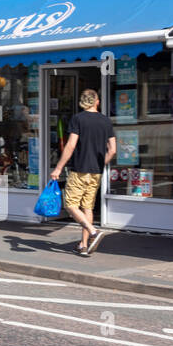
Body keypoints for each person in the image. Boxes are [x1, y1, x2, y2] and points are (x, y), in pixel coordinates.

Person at [50, 88, 117, 256]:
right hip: (96, 171)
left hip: (79, 169)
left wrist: (58, 167)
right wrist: (100, 163)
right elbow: (113, 150)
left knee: (71, 205)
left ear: (82, 102)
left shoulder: (78, 119)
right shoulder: (106, 121)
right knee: (87, 207)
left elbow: (71, 145)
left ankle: (93, 231)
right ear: (97, 102)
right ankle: (83, 245)